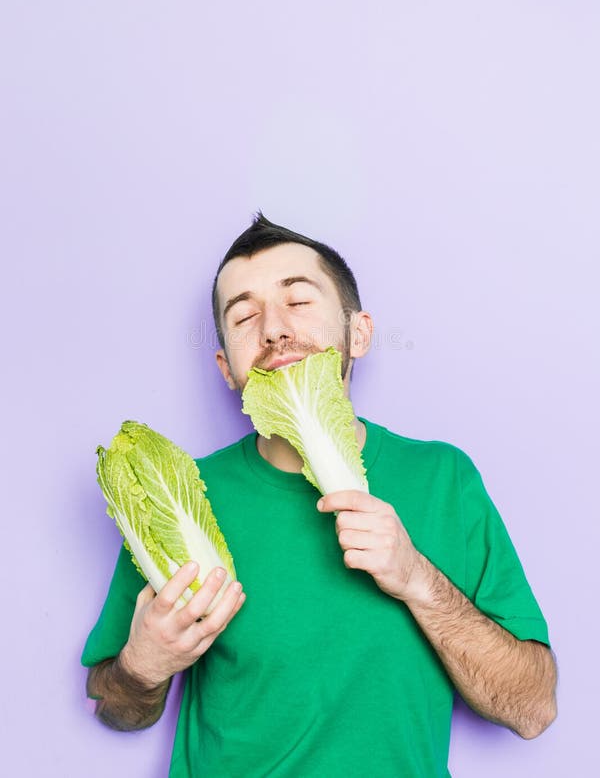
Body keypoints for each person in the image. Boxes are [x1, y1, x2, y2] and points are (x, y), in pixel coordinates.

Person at [82, 213, 557, 777]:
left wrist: (416, 580)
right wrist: (142, 667)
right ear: (226, 370)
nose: (273, 329)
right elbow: (116, 710)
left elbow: (533, 709)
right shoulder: (177, 495)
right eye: (244, 315)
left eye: (299, 302)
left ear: (359, 332)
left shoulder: (442, 478)